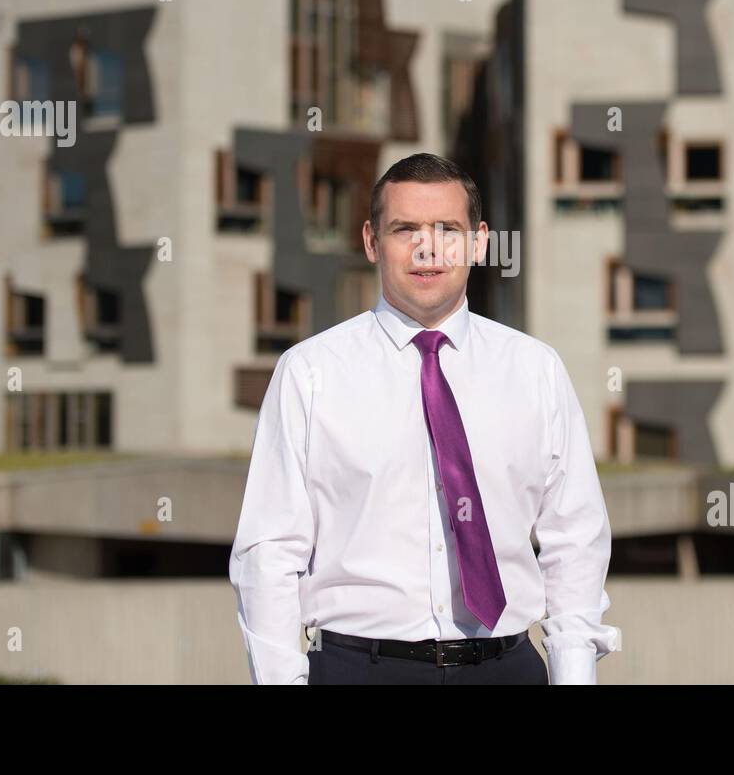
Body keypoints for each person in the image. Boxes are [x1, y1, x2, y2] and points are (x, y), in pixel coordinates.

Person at [229, 152, 621, 684]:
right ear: (371, 241)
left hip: (505, 668)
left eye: (447, 228)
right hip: (358, 669)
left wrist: (573, 677)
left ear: (478, 242)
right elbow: (269, 554)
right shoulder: (309, 373)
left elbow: (575, 538)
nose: (427, 246)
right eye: (405, 228)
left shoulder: (535, 370)